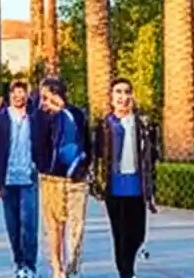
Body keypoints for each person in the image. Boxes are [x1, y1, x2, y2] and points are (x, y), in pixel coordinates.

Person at [0, 81, 53, 278]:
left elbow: (47, 142)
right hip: (7, 179)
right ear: (10, 95)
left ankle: (30, 265)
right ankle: (19, 262)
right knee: (13, 225)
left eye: (22, 93)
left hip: (29, 179)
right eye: (15, 93)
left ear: (27, 96)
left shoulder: (35, 118)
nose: (18, 97)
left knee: (29, 224)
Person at [92, 78, 158, 278]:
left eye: (126, 92)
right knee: (120, 234)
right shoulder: (105, 125)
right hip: (114, 187)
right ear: (111, 98)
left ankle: (126, 269)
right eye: (118, 92)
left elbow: (152, 156)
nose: (123, 97)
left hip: (137, 187)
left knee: (138, 234)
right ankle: (126, 272)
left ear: (132, 96)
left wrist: (152, 187)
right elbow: (96, 155)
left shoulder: (142, 125)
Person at [38, 77, 92, 278]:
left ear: (56, 95)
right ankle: (57, 267)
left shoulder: (75, 114)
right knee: (53, 226)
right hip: (51, 178)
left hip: (76, 179)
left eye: (45, 96)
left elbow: (85, 139)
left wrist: (86, 166)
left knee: (76, 225)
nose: (42, 101)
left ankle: (72, 267)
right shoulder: (42, 117)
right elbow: (38, 140)